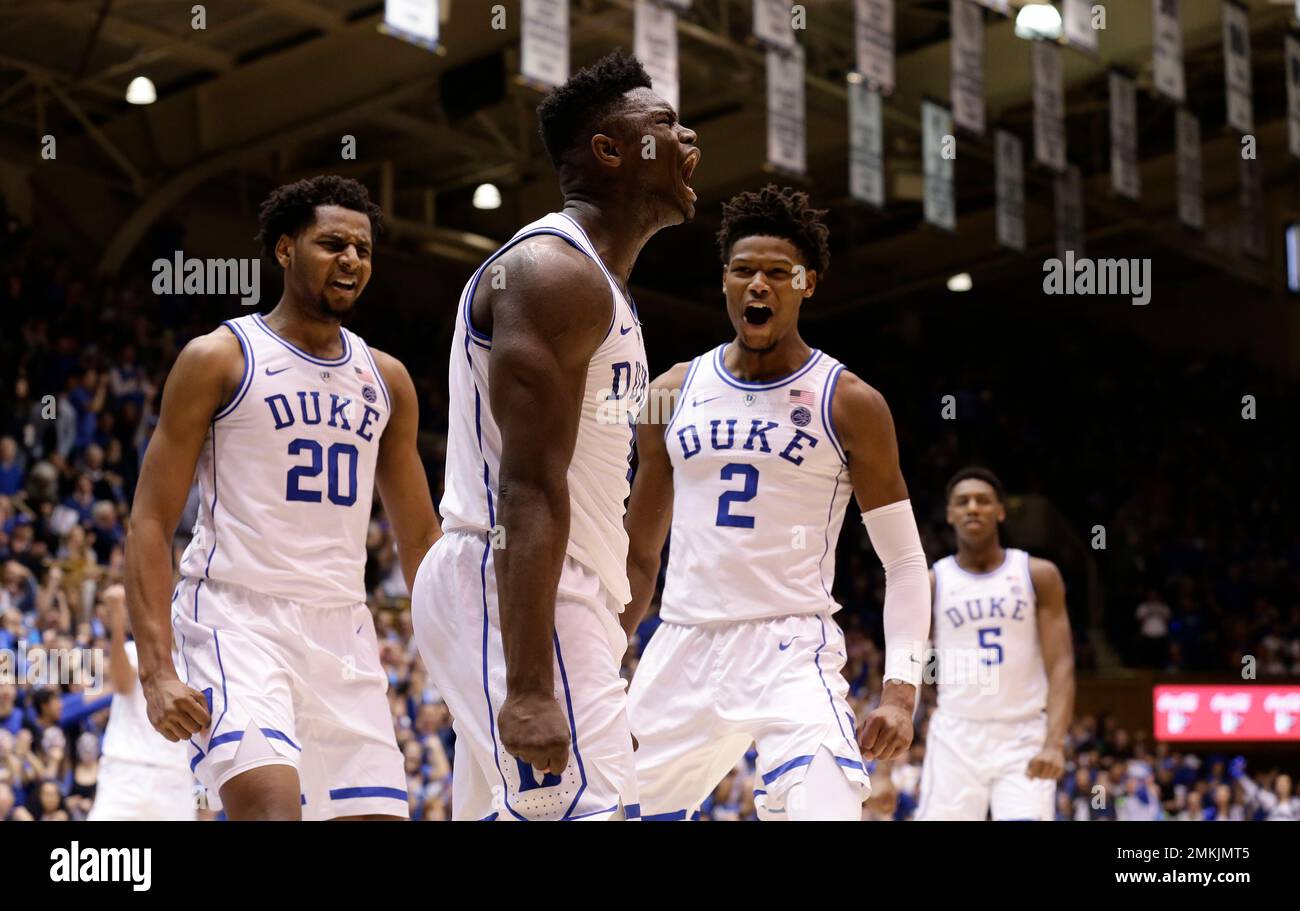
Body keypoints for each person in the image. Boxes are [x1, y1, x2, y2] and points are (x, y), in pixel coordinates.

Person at [411, 50, 700, 821]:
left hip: (552, 592)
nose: (690, 138)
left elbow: (594, 481)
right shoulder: (551, 273)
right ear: (609, 150)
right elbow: (528, 484)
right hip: (513, 581)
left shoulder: (602, 292)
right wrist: (534, 684)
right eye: (665, 125)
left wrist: (608, 618)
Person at [125, 175, 439, 820]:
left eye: (363, 249)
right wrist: (157, 672)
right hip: (237, 620)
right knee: (270, 810)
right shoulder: (220, 358)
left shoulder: (388, 380)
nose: (351, 259)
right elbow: (151, 521)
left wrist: (468, 663)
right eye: (332, 244)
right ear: (285, 250)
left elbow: (420, 541)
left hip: (344, 631)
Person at [621, 186, 928, 820]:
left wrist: (900, 692)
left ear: (806, 283)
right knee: (597, 808)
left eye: (777, 273)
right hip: (681, 641)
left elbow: (904, 563)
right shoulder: (670, 392)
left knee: (831, 810)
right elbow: (638, 555)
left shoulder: (850, 402)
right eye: (743, 271)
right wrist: (601, 655)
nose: (758, 285)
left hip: (791, 646)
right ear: (725, 282)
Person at [916, 467, 1075, 820]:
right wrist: (885, 768)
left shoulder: (1038, 574)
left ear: (1000, 511)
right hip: (955, 733)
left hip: (1022, 733)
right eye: (963, 502)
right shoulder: (931, 583)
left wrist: (1054, 743)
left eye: (983, 501)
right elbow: (910, 669)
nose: (973, 508)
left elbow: (1061, 665)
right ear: (950, 514)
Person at [87, 585, 196, 820]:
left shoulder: (196, 666)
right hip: (126, 768)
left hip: (175, 775)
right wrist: (117, 619)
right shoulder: (135, 652)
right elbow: (122, 684)